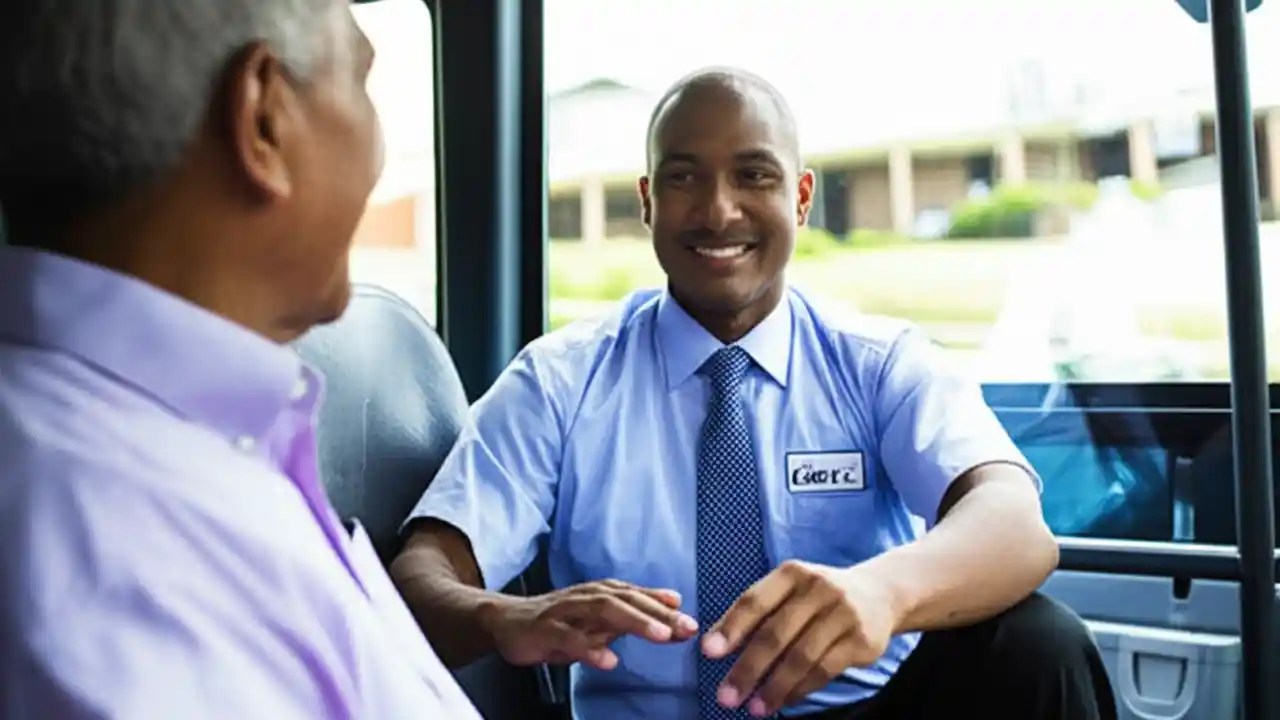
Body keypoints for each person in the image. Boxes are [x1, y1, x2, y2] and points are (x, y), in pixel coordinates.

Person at [391, 66, 1116, 720]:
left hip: (860, 713)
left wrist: (884, 593)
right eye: (682, 179)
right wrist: (500, 616)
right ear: (647, 202)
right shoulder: (559, 381)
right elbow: (422, 573)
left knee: (1038, 642)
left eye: (753, 176)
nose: (718, 211)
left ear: (800, 198)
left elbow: (1016, 526)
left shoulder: (878, 364)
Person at [0, 2, 480, 718]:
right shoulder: (116, 559)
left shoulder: (187, 442)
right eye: (361, 76)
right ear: (265, 119)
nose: (382, 151)